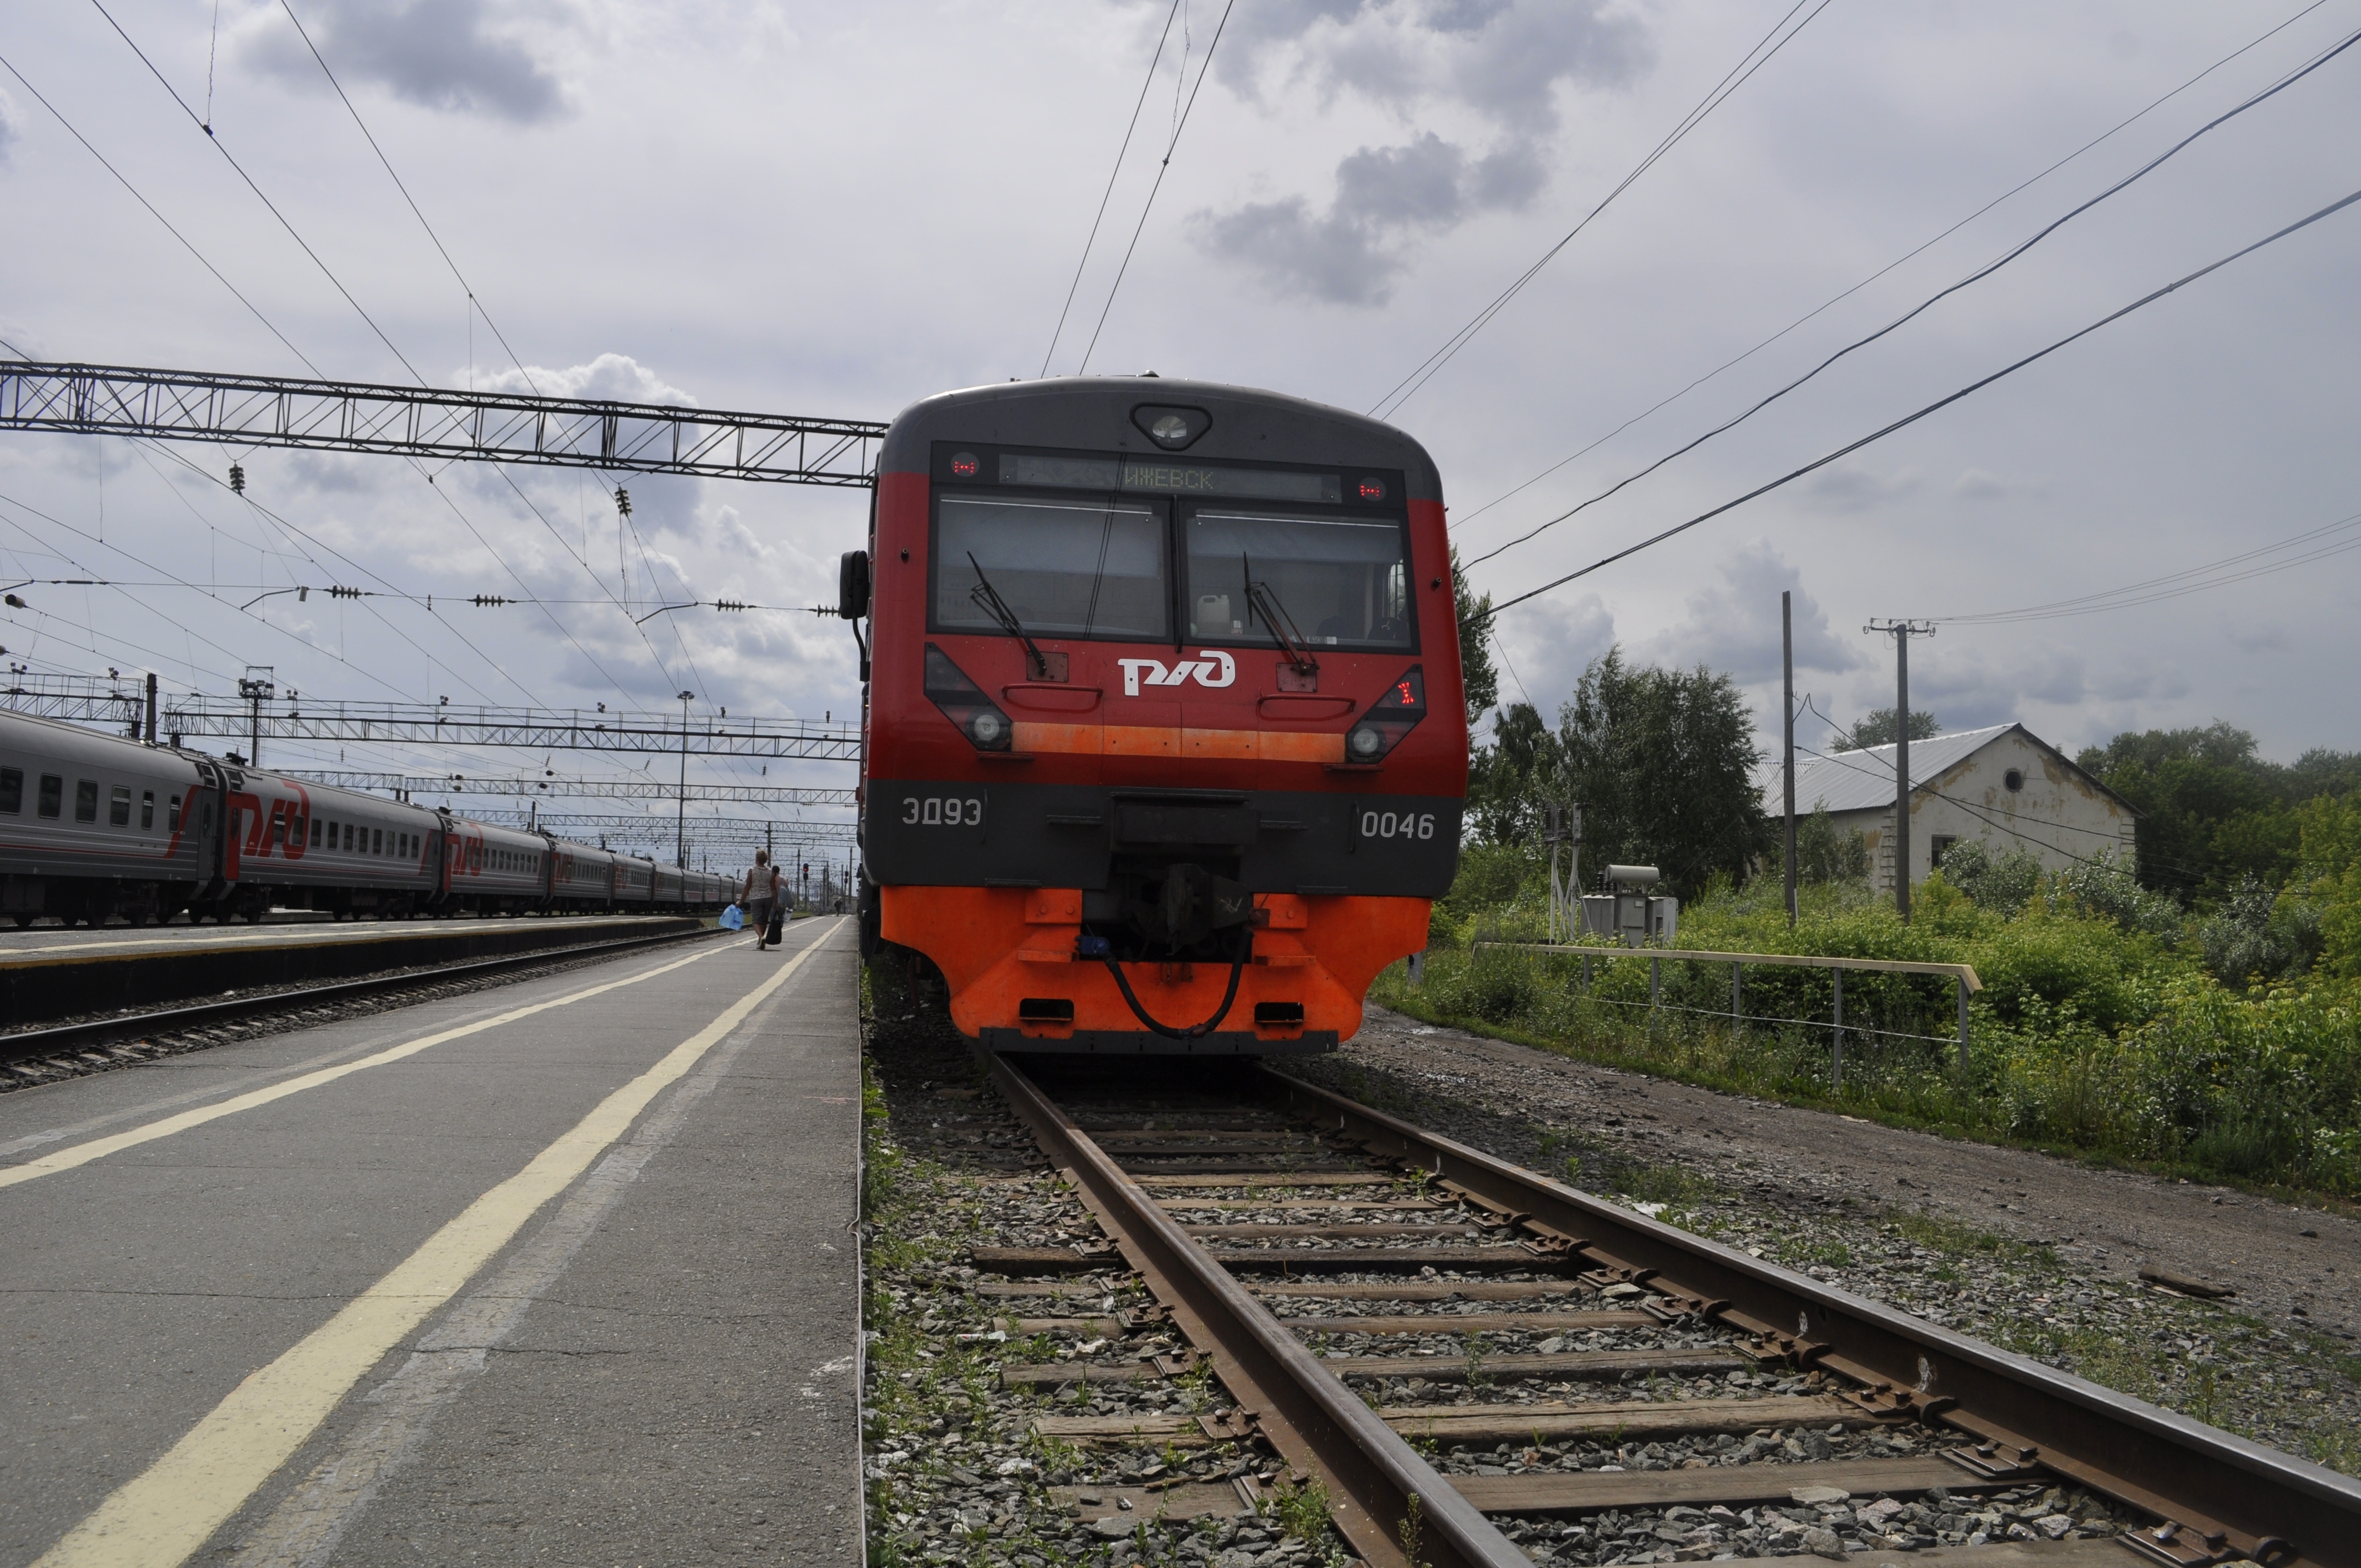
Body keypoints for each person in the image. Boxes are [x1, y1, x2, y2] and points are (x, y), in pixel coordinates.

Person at [742, 851, 782, 950]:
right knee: (764, 921)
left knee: (756, 921)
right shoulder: (770, 872)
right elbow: (773, 888)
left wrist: (741, 900)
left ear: (757, 859)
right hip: (768, 898)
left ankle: (761, 937)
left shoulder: (752, 870)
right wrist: (776, 902)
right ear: (766, 860)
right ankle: (761, 942)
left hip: (756, 898)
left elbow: (747, 887)